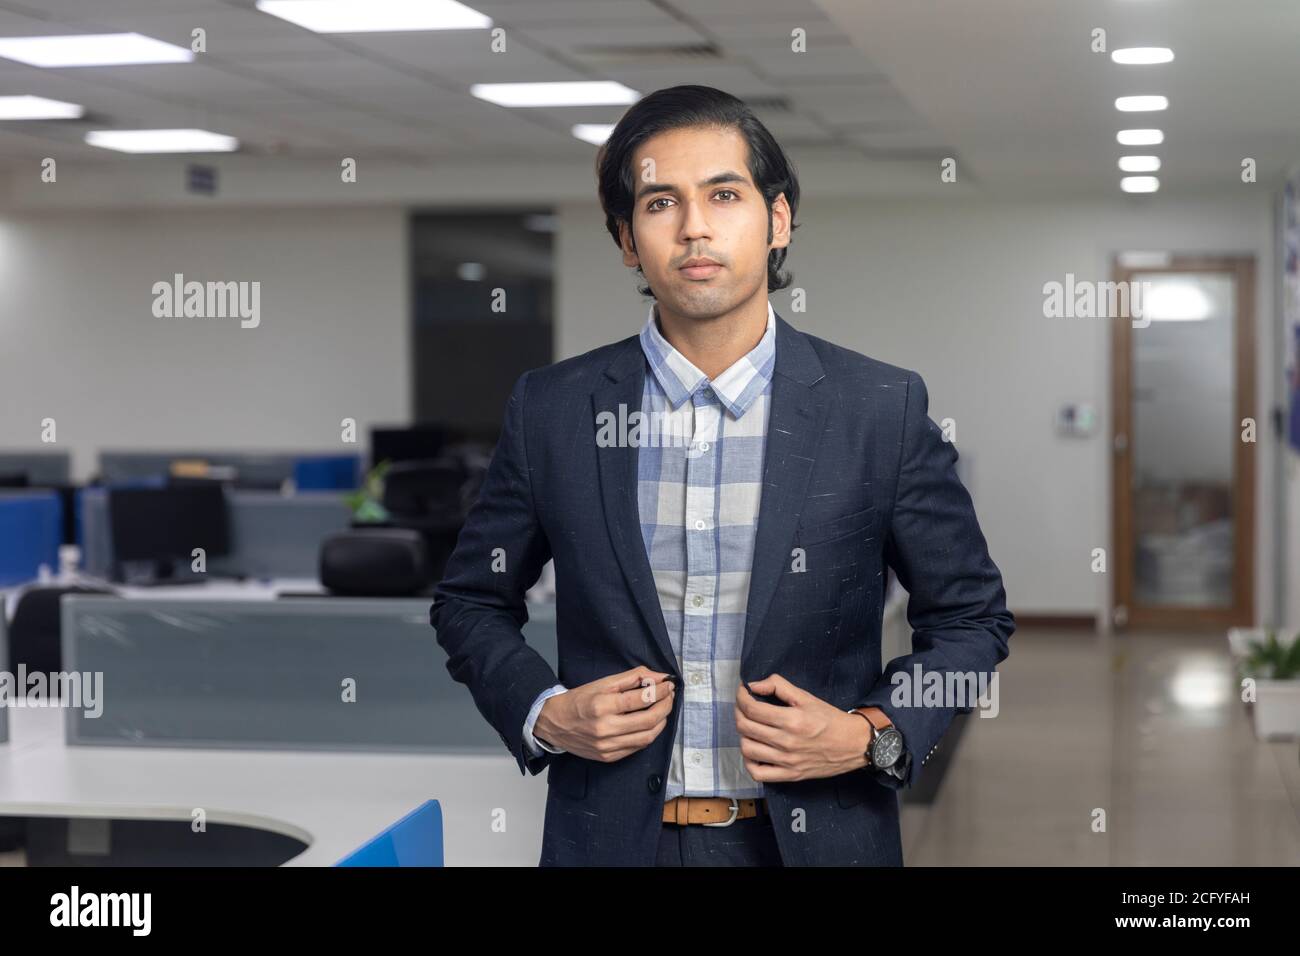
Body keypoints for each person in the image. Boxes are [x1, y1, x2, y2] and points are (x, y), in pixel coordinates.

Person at [430, 84, 1015, 866]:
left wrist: (869, 735)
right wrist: (545, 713)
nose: (696, 227)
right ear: (627, 240)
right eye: (661, 201)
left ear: (776, 221)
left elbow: (972, 621)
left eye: (724, 194)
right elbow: (470, 600)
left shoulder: (878, 407)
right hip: (613, 843)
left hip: (818, 840)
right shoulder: (555, 409)